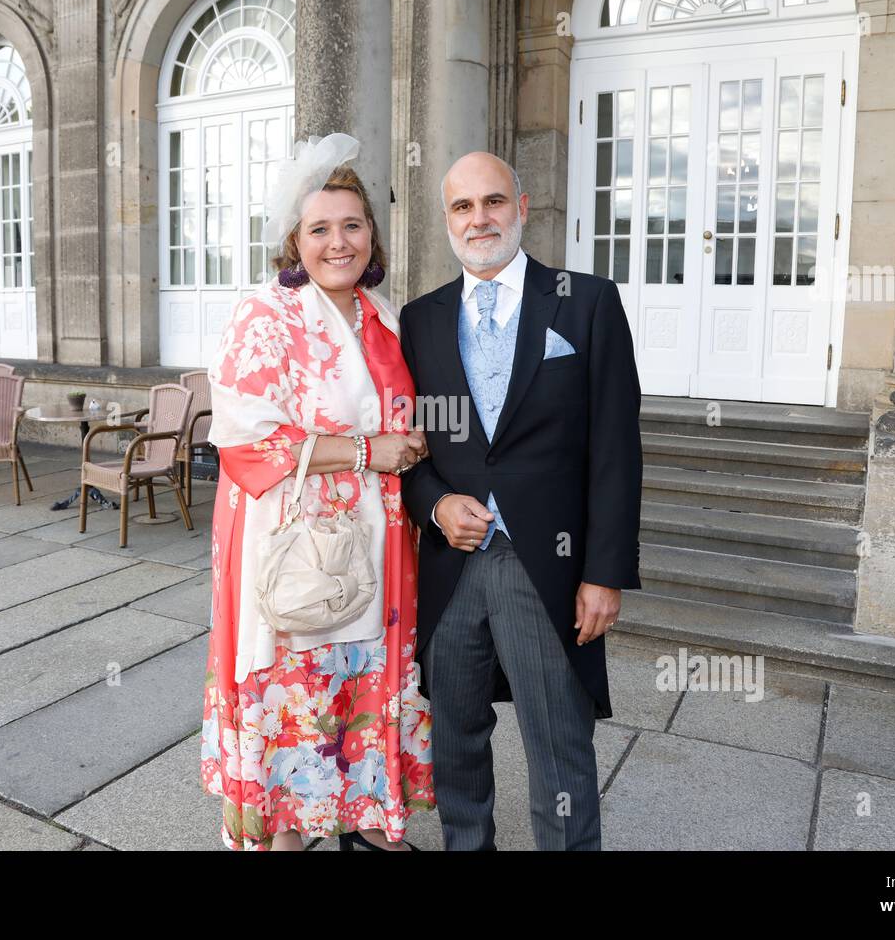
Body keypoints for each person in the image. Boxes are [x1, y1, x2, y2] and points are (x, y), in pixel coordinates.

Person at [399, 151, 643, 850]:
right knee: (456, 739)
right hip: (451, 566)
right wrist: (435, 504)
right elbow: (410, 449)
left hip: (549, 565)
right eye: (463, 207)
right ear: (447, 219)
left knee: (558, 743)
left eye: (493, 202)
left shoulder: (586, 301)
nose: (480, 219)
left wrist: (603, 572)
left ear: (522, 206)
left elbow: (616, 450)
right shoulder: (421, 320)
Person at [201, 133, 434, 851]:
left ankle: (368, 823)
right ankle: (290, 834)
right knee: (296, 696)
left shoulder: (382, 314)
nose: (339, 242)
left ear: (372, 233)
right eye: (320, 228)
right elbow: (245, 441)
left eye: (353, 225)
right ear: (294, 241)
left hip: (380, 542)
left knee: (368, 684)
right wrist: (369, 452)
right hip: (296, 548)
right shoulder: (265, 314)